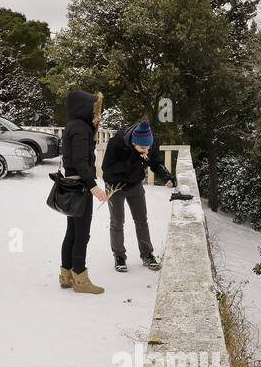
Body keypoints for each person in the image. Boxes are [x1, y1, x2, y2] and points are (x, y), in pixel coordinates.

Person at [100, 118, 174, 273]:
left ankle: (147, 254)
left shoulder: (152, 142)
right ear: (133, 142)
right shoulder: (117, 143)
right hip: (115, 185)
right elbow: (107, 168)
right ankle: (119, 255)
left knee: (141, 220)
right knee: (117, 221)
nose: (146, 151)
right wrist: (134, 158)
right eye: (142, 148)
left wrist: (167, 176)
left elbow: (155, 162)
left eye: (148, 147)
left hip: (135, 185)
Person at [57, 90, 102, 295]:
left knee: (72, 233)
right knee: (81, 235)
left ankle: (66, 276)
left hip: (72, 186)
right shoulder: (80, 128)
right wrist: (93, 186)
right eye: (94, 109)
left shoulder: (74, 126)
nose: (97, 113)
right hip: (81, 188)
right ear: (84, 108)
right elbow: (80, 162)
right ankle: (80, 279)